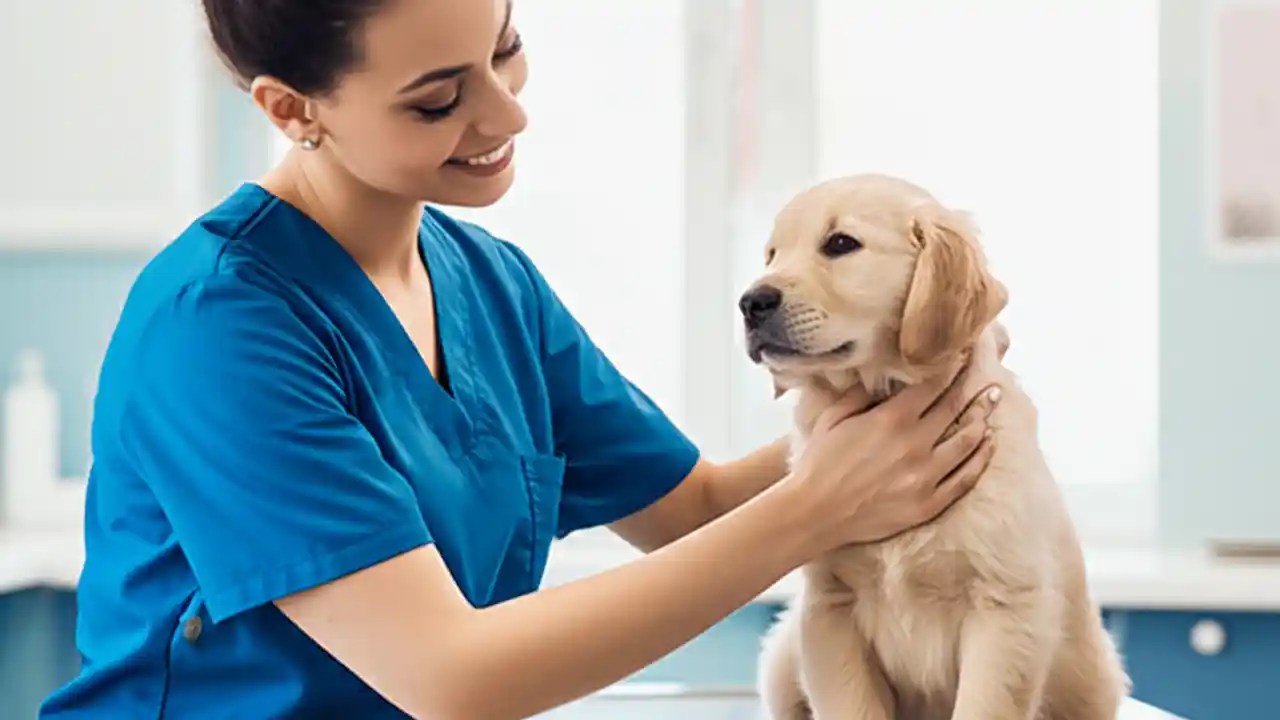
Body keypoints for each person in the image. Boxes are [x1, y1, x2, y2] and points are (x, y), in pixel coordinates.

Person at [39, 1, 1004, 718]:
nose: (507, 116)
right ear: (293, 109)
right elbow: (448, 676)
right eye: (438, 99)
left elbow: (697, 511)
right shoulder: (219, 329)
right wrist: (820, 502)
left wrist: (913, 400)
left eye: (505, 48)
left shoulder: (487, 283)